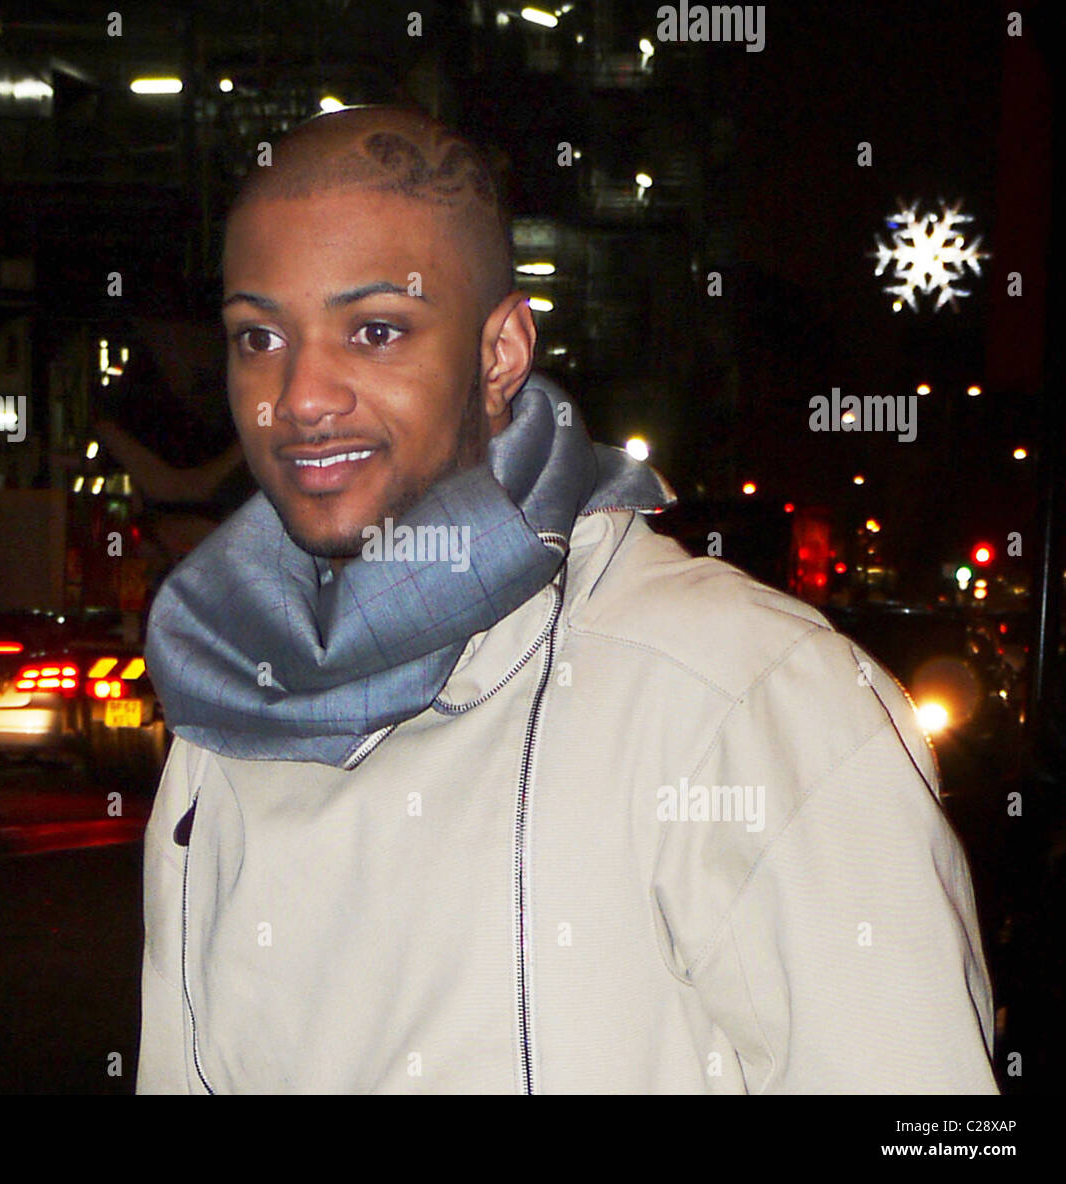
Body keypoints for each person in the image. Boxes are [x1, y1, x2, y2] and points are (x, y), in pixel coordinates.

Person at [136, 104, 998, 1093]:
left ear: (500, 354)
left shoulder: (742, 695)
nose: (299, 394)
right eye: (258, 337)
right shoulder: (225, 702)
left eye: (374, 329)